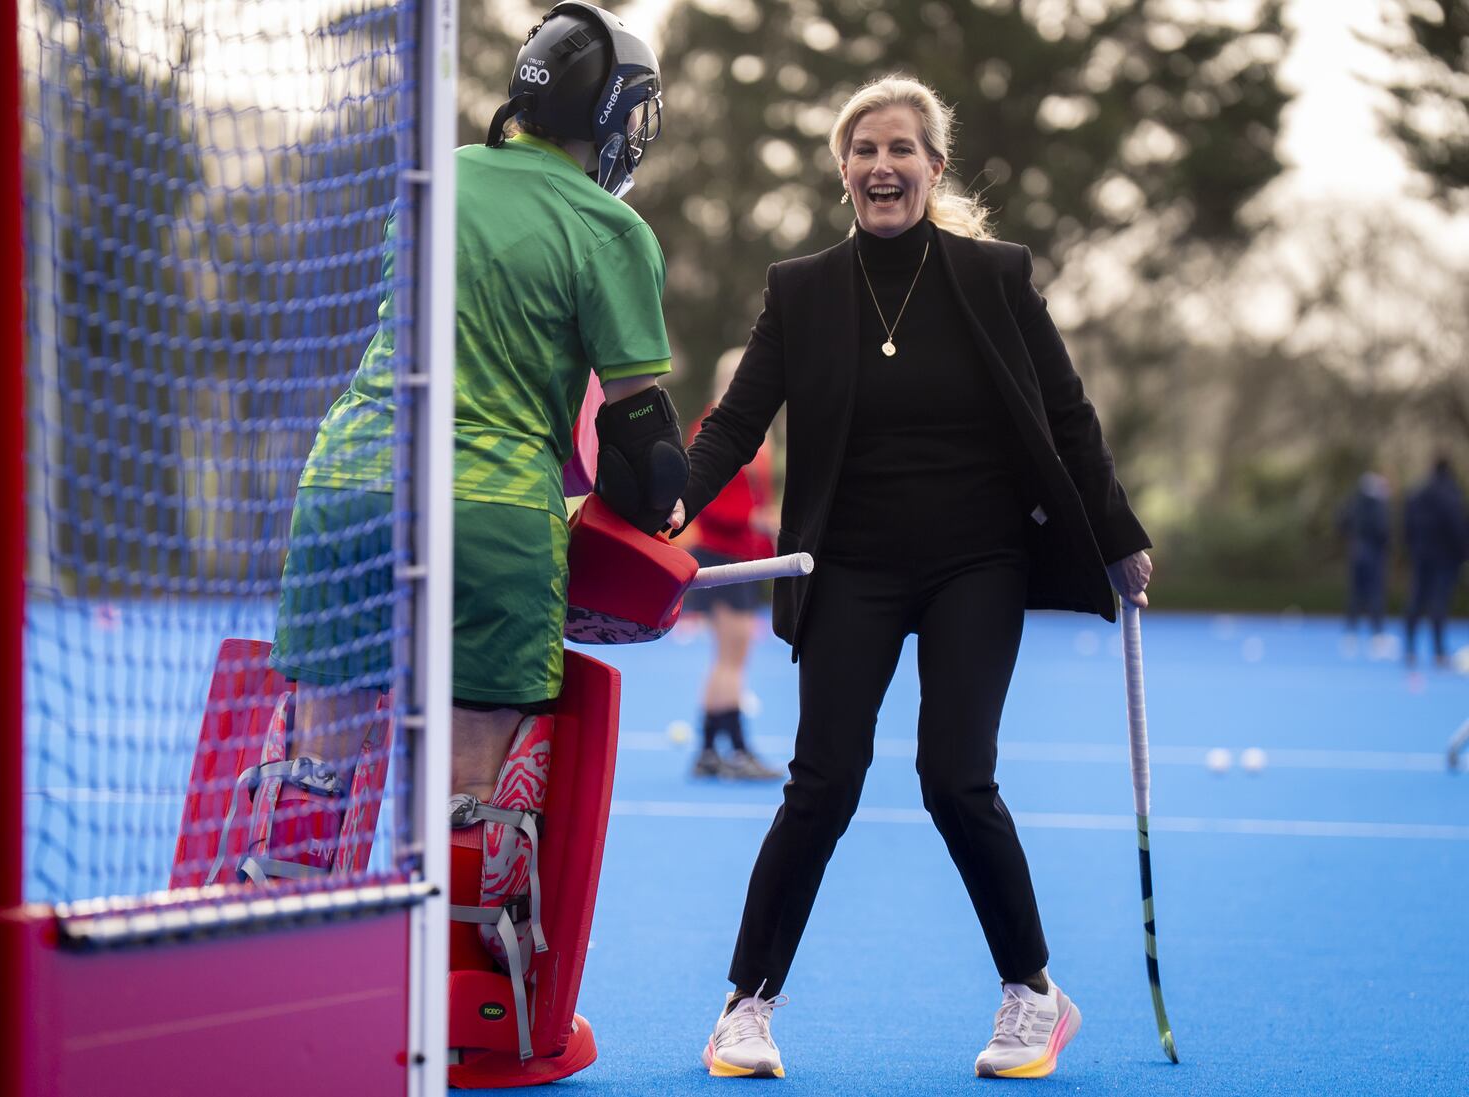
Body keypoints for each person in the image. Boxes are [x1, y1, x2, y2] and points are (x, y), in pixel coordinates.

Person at [670, 76, 1151, 1081]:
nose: (882, 165)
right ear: (844, 172)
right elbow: (735, 420)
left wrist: (1116, 532)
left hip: (978, 558)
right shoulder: (800, 290)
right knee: (823, 783)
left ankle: (1033, 992)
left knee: (955, 777)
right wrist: (672, 500)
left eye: (902, 149)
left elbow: (1067, 415)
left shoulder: (993, 276)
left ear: (934, 168)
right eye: (864, 150)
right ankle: (746, 1006)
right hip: (850, 563)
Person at [257, 0, 683, 878]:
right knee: (469, 812)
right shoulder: (611, 229)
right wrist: (661, 504)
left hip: (349, 485)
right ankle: (456, 998)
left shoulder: (435, 177)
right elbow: (641, 437)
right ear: (605, 116)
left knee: (317, 780)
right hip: (489, 512)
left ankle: (295, 953)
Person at [681, 351, 785, 781]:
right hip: (723, 555)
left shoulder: (752, 433)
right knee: (731, 658)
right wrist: (757, 523)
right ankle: (733, 748)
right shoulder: (713, 428)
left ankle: (711, 748)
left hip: (739, 555)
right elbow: (711, 504)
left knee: (730, 657)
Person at [1402, 457, 1469, 669]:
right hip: (1445, 558)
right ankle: (1438, 652)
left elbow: (1408, 525)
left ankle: (1410, 649)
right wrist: (1463, 554)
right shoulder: (1451, 494)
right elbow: (1457, 528)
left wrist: (1413, 549)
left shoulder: (1417, 493)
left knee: (1417, 599)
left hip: (1421, 555)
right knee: (1439, 602)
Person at [1336, 471, 1391, 645]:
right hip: (1373, 553)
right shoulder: (1377, 505)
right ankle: (1377, 632)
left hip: (1356, 551)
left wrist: (1351, 538)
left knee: (1356, 592)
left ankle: (1351, 631)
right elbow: (1383, 530)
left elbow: (1341, 521)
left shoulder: (1353, 502)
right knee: (1375, 591)